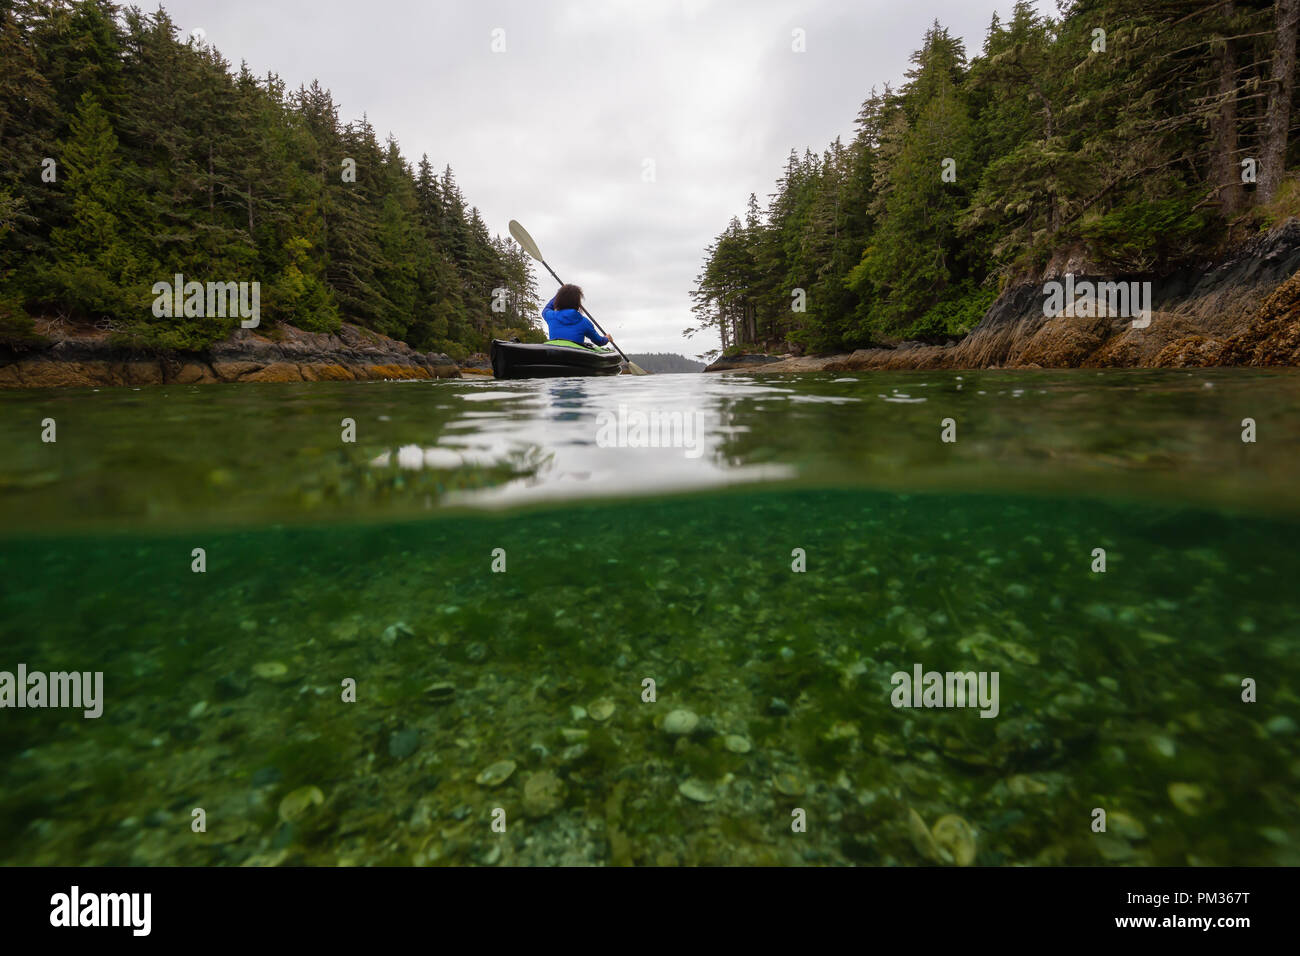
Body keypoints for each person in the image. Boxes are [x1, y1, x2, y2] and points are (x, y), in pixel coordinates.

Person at [542, 284, 611, 348]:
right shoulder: (584, 322)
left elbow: (547, 308)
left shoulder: (551, 316)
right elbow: (599, 341)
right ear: (577, 303)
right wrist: (607, 338)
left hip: (554, 356)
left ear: (558, 300)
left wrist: (561, 294)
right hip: (575, 358)